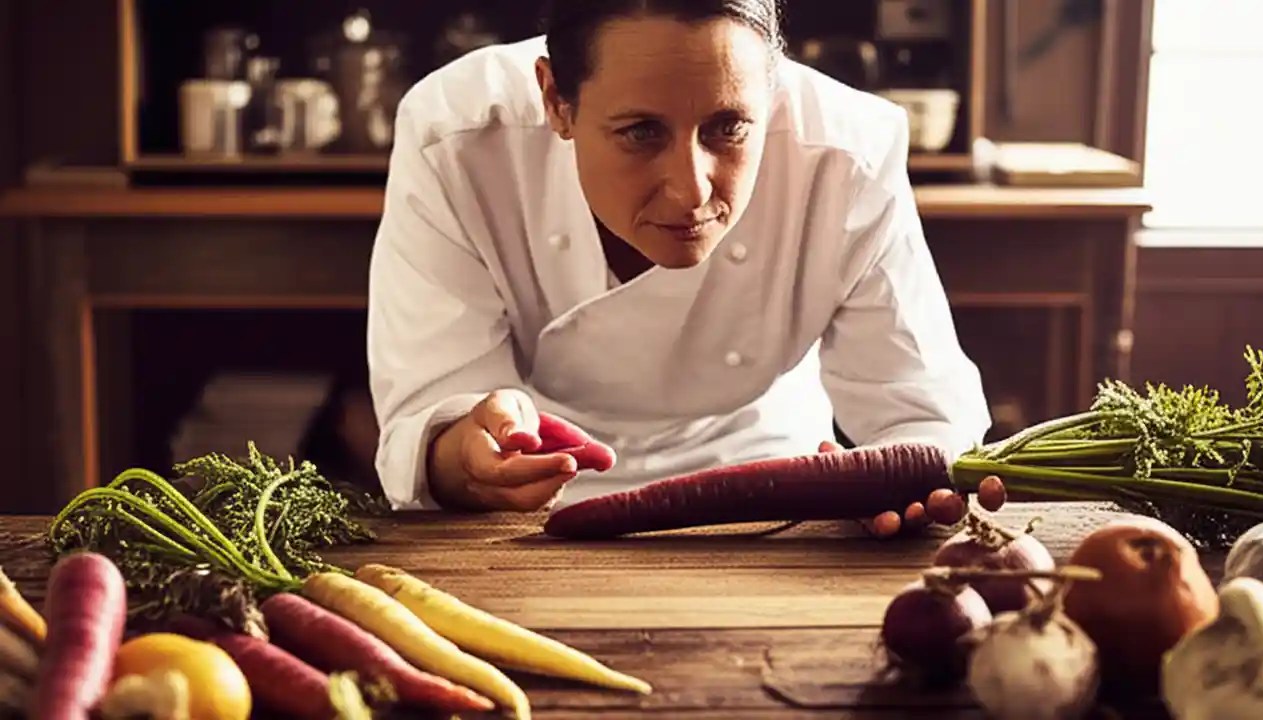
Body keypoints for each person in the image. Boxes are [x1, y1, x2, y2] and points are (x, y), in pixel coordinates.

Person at [366, 0, 994, 536]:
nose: (691, 191)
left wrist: (905, 486)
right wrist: (470, 455)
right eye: (641, 133)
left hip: (774, 496)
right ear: (557, 101)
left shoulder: (846, 154)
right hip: (534, 515)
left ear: (772, 95)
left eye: (729, 128)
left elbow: (921, 409)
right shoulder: (457, 137)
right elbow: (434, 412)